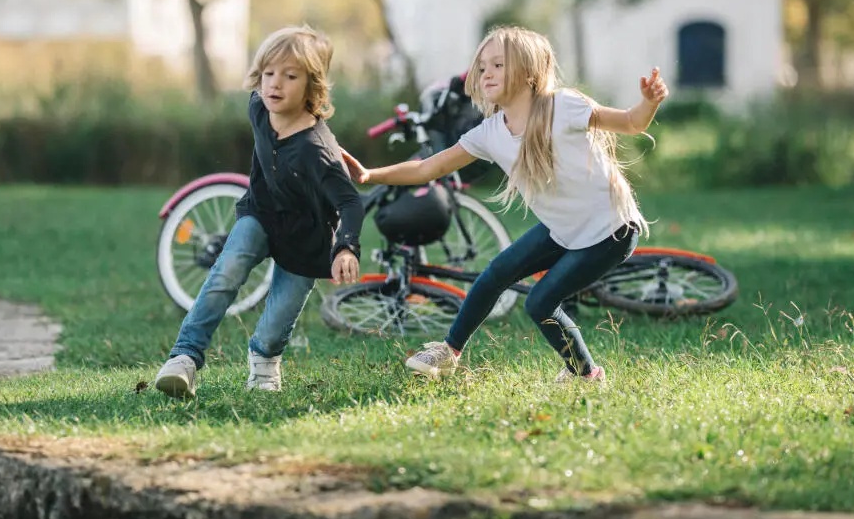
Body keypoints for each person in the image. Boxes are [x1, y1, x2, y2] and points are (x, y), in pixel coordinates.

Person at [341, 25, 668, 383]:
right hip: (563, 230)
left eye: (498, 64)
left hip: (611, 232)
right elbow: (427, 167)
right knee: (494, 275)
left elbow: (632, 123)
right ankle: (448, 353)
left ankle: (586, 375)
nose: (487, 74)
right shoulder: (489, 132)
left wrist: (649, 102)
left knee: (540, 302)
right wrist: (370, 175)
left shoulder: (564, 107)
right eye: (482, 67)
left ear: (528, 72)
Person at [154, 25, 362, 398]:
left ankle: (264, 363)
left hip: (306, 240)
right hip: (262, 215)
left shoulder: (318, 151)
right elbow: (278, 70)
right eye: (268, 74)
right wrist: (299, 39)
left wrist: (346, 246)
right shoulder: (259, 109)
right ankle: (184, 357)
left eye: (290, 75)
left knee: (277, 320)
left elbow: (349, 202)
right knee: (226, 271)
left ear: (312, 86)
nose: (274, 85)